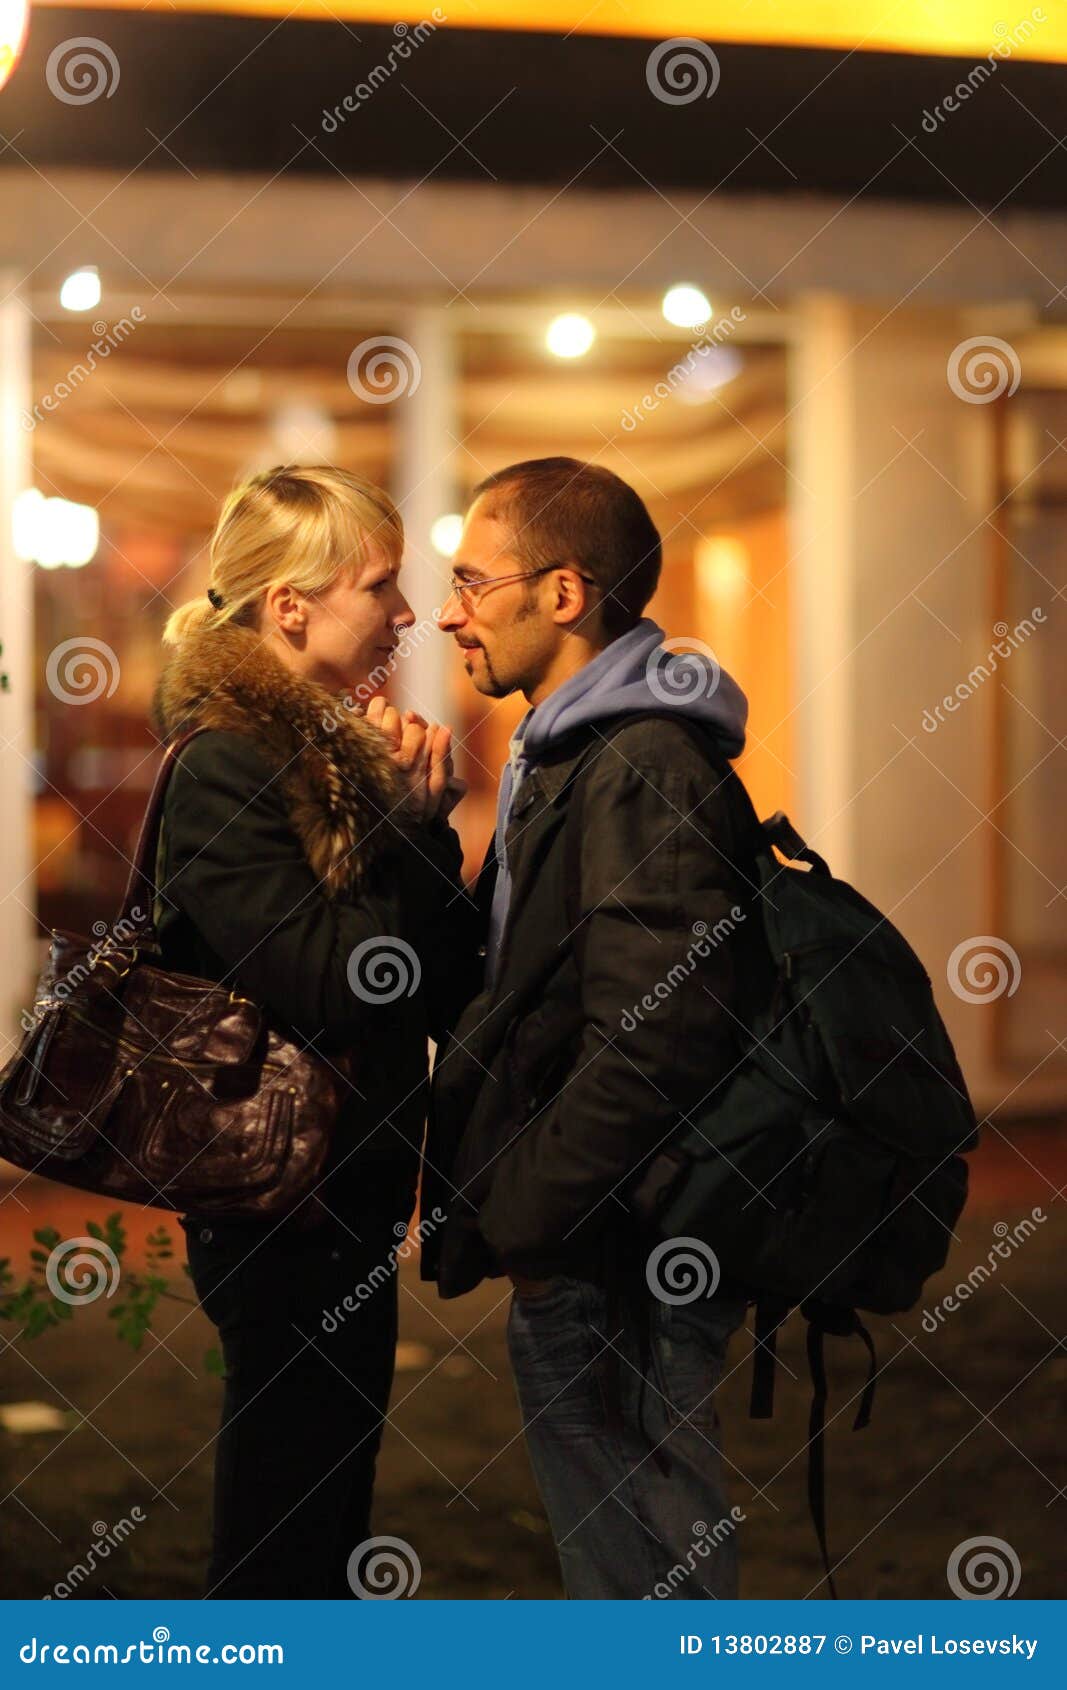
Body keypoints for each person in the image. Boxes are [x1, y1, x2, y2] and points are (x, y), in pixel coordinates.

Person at [423, 457, 771, 1599]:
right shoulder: (568, 748)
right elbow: (506, 983)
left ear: (562, 594)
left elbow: (659, 1037)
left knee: (645, 1571)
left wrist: (531, 1217)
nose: (449, 613)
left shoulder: (642, 763)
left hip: (618, 1246)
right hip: (594, 1237)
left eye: (471, 582)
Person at [151, 464, 480, 1598]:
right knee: (284, 1526)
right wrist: (403, 822)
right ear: (289, 605)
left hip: (342, 1184)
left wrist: (416, 827)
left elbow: (442, 977)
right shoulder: (229, 765)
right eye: (379, 584)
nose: (406, 613)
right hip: (276, 1195)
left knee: (327, 1500)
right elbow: (344, 982)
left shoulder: (325, 756)